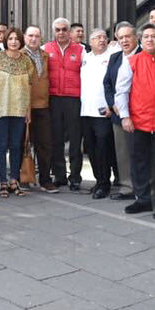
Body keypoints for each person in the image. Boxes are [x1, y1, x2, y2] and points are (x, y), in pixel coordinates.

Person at [114, 24, 155, 218]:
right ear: (141, 40)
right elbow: (121, 91)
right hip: (137, 122)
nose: (150, 39)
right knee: (138, 163)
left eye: (154, 36)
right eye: (146, 37)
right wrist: (125, 116)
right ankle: (142, 200)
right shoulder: (131, 62)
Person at [0, 27, 33, 197]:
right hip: (0, 107)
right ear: (5, 40)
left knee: (16, 145)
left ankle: (14, 180)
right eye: (11, 38)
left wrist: (28, 110)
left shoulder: (26, 61)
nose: (14, 41)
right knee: (1, 145)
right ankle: (3, 182)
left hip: (20, 109)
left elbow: (29, 86)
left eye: (17, 38)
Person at [45, 17, 85, 191]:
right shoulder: (46, 49)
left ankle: (75, 177)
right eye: (58, 30)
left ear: (69, 32)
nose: (61, 32)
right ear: (54, 31)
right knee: (56, 139)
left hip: (74, 99)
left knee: (75, 140)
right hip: (53, 99)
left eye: (64, 29)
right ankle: (59, 175)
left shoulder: (81, 50)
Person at [106, 22, 138, 201]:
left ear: (136, 37)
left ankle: (145, 188)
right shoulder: (115, 57)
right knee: (123, 152)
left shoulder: (144, 55)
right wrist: (112, 104)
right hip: (119, 114)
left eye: (128, 36)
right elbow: (107, 84)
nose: (124, 40)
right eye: (121, 37)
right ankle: (127, 187)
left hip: (140, 113)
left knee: (141, 152)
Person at [80, 29, 114, 199]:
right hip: (86, 111)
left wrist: (112, 106)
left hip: (103, 111)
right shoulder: (85, 57)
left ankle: (105, 183)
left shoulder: (113, 56)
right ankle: (98, 180)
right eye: (97, 38)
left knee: (103, 149)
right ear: (90, 41)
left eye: (104, 37)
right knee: (91, 149)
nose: (101, 40)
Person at [24, 25, 54, 191]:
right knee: (23, 144)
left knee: (45, 144)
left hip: (43, 105)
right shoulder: (19, 55)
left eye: (36, 36)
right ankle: (23, 177)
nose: (33, 39)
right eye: (30, 35)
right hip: (25, 107)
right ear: (25, 37)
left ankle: (45, 179)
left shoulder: (45, 55)